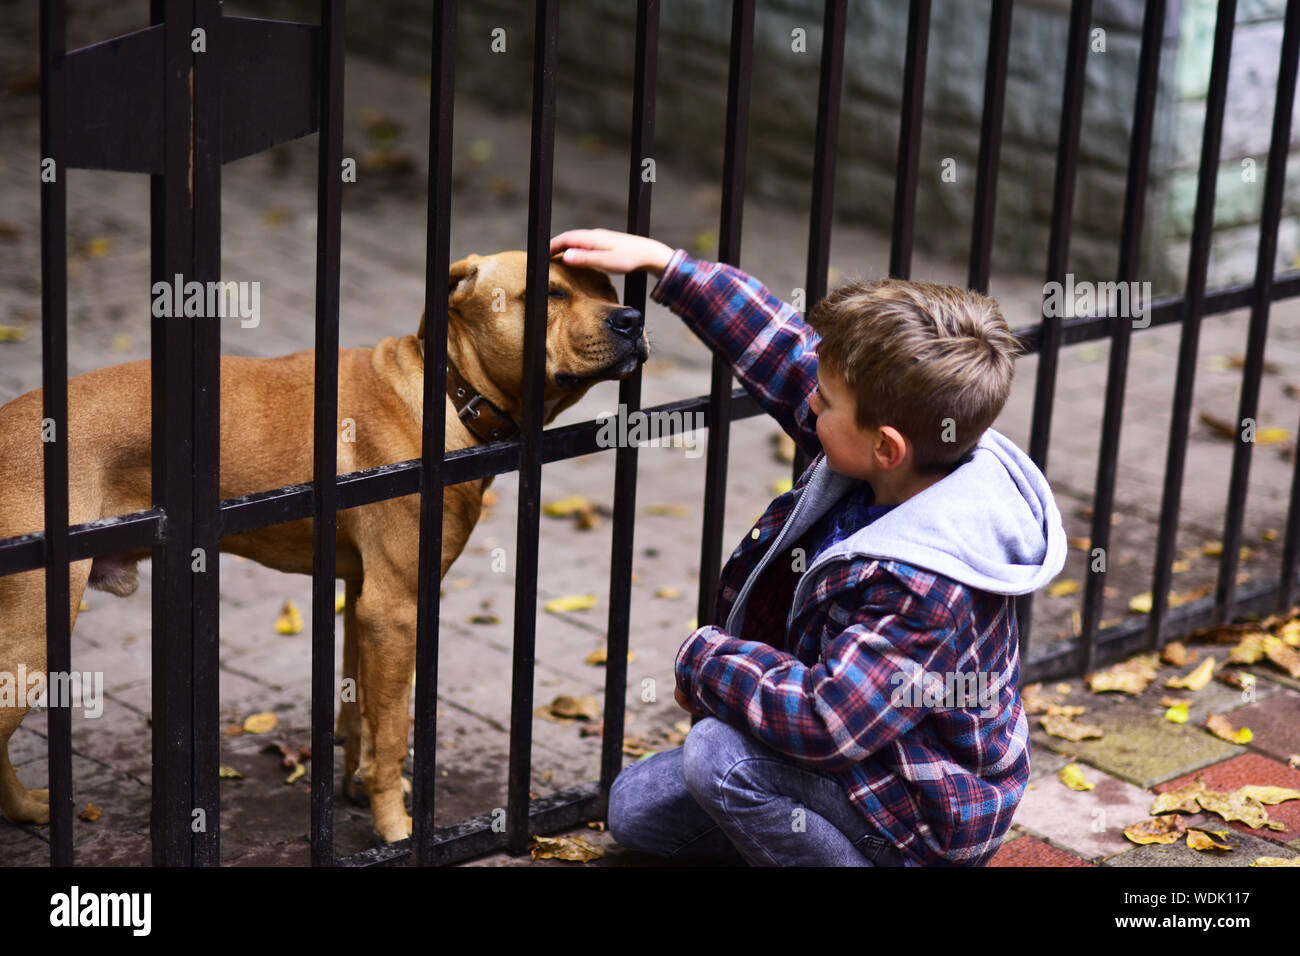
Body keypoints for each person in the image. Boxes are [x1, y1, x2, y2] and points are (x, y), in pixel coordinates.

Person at [548, 229, 1067, 866]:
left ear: (886, 446)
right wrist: (668, 266)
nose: (808, 400)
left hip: (921, 817)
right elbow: (787, 351)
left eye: (824, 402)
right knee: (635, 806)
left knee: (717, 757)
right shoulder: (901, 450)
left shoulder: (924, 581)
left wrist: (705, 660)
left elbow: (828, 721)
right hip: (865, 761)